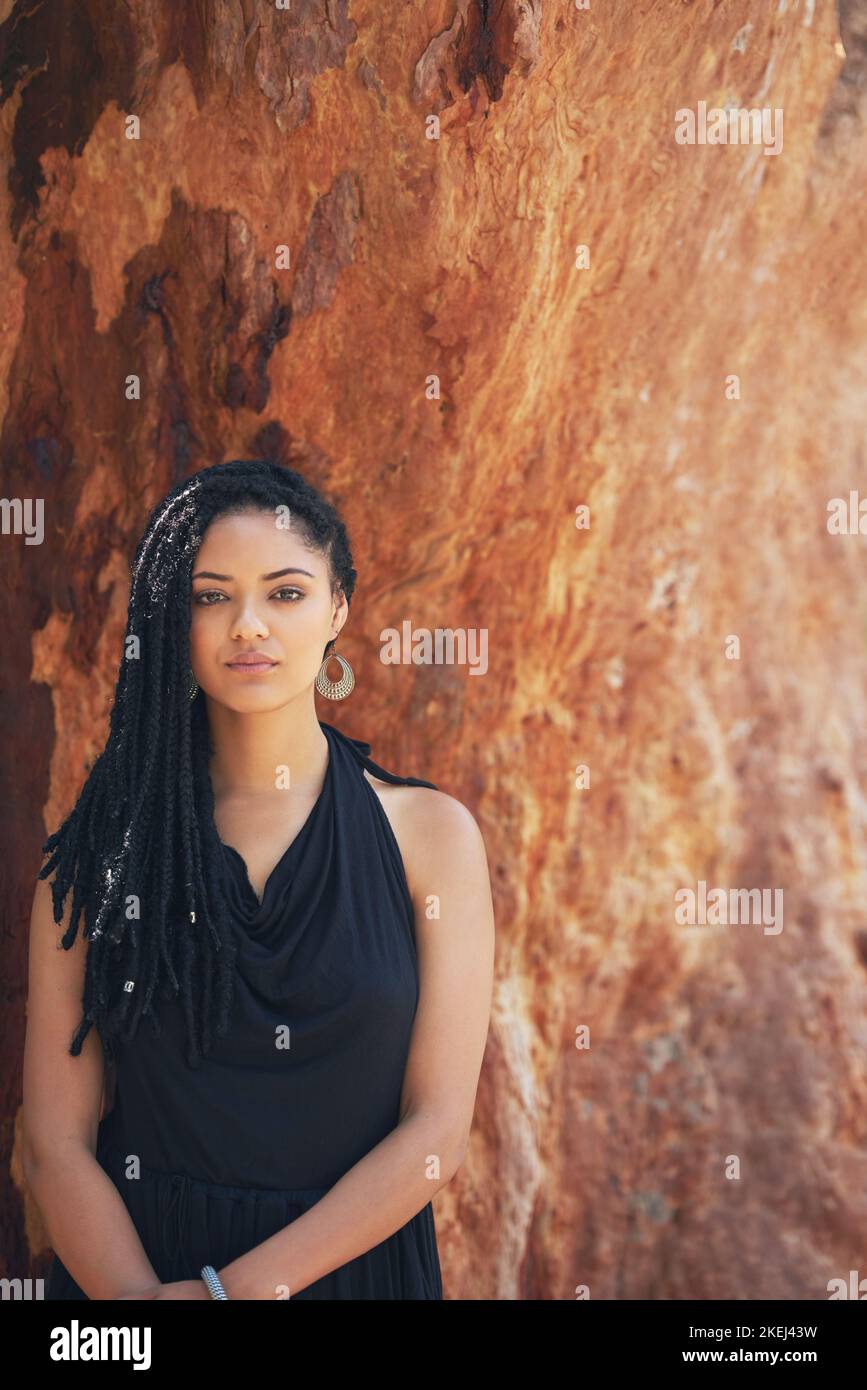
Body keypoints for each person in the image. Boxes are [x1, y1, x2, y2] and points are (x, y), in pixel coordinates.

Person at [22, 458, 495, 1300]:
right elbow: (54, 1145)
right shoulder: (105, 852)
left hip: (351, 1275)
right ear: (176, 619)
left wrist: (233, 1293)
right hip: (128, 1284)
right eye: (211, 596)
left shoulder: (431, 839)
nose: (248, 625)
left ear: (337, 608)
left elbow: (436, 1133)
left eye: (284, 593)